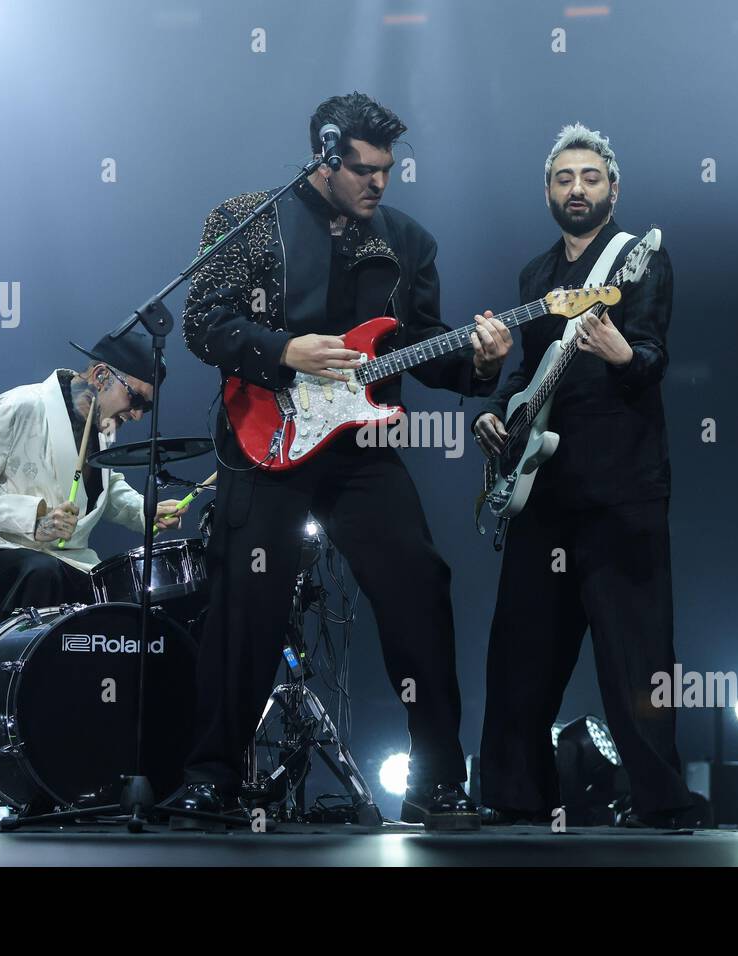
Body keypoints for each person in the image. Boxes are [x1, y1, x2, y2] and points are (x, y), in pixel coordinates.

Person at [170, 92, 512, 830]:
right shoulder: (248, 219)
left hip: (361, 446)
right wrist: (281, 351)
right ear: (324, 156)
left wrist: (480, 364)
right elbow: (202, 323)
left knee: (419, 582)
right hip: (265, 439)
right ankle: (211, 777)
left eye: (387, 170)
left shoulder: (407, 242)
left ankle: (437, 782)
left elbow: (423, 344)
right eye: (362, 169)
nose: (378, 184)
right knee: (244, 606)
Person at [472, 123, 700, 828]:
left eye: (590, 178)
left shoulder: (640, 262)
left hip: (621, 488)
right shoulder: (535, 278)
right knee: (520, 650)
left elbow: (655, 358)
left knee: (636, 655)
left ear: (613, 189)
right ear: (548, 191)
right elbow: (525, 374)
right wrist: (495, 412)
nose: (577, 188)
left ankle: (662, 803)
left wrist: (622, 352)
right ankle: (513, 797)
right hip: (545, 488)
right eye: (564, 178)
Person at [0, 326, 190, 626]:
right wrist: (34, 520)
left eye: (146, 408)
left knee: (126, 597)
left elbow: (105, 490)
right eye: (135, 399)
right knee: (44, 574)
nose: (137, 415)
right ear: (101, 376)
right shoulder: (20, 405)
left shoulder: (102, 426)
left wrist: (146, 512)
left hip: (67, 561)